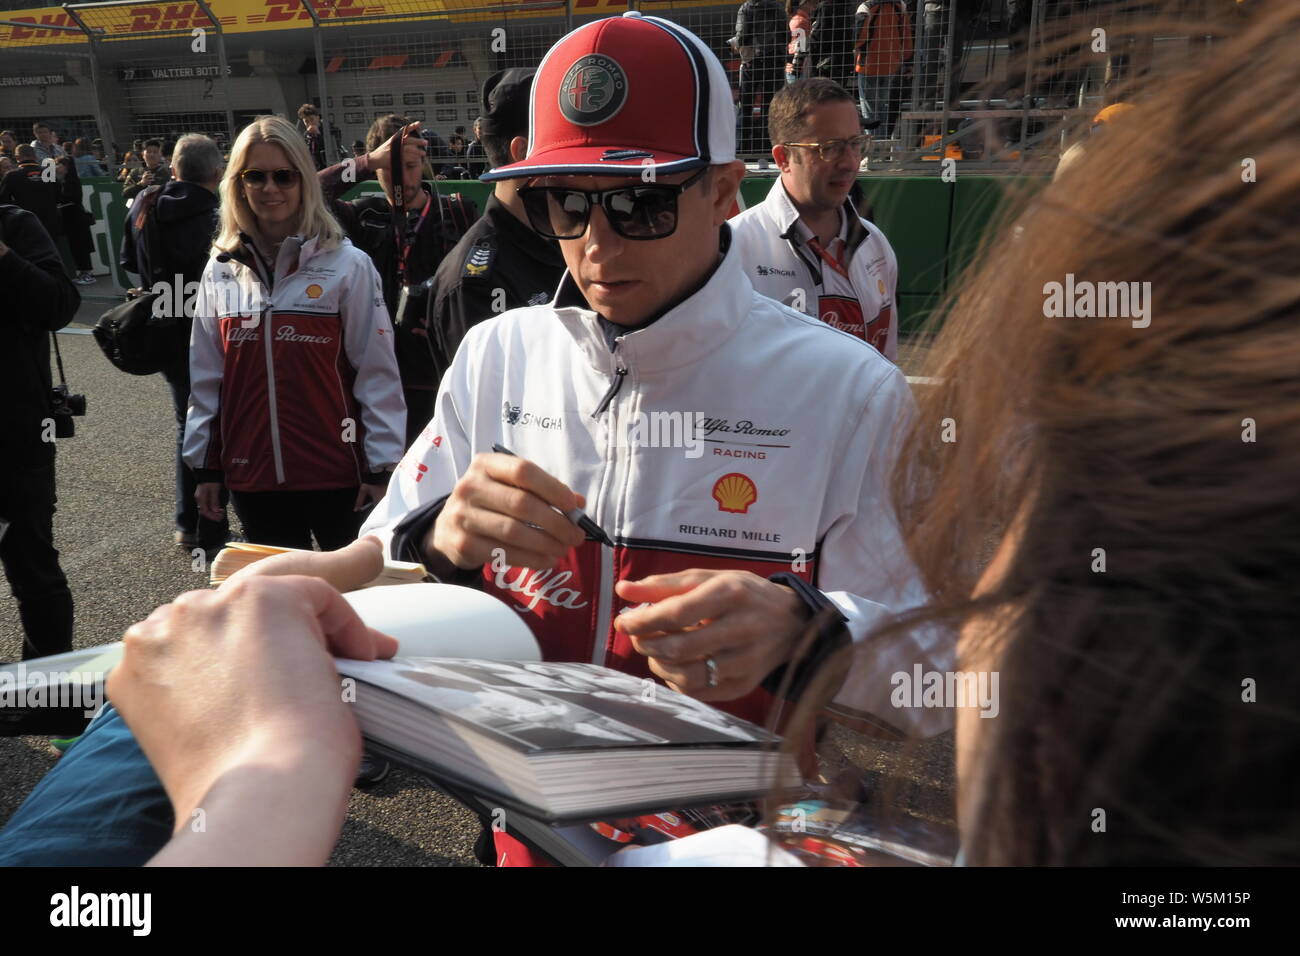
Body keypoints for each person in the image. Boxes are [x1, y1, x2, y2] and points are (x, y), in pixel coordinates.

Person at [364, 10, 939, 865]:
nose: (596, 244)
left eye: (639, 202)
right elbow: (372, 568)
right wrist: (434, 539)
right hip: (521, 842)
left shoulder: (850, 392)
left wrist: (810, 632)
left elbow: (948, 671)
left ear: (721, 190)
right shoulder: (497, 355)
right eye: (566, 202)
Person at [183, 115, 405, 553]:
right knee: (281, 610)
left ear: (304, 180)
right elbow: (207, 378)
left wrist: (381, 469)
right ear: (238, 184)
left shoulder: (348, 265)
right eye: (256, 176)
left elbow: (376, 373)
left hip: (339, 476)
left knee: (351, 607)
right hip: (254, 479)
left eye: (284, 176)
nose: (271, 188)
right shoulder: (220, 269)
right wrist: (206, 470)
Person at [317, 114, 476, 448]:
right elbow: (307, 193)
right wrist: (365, 161)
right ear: (375, 168)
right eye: (390, 166)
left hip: (439, 374)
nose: (402, 177)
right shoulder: (362, 216)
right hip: (376, 376)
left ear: (424, 160)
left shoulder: (457, 213)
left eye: (410, 165)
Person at [729, 78, 900, 360]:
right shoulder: (732, 250)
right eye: (829, 147)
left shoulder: (876, 246)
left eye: (855, 143)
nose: (849, 162)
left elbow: (887, 363)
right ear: (783, 157)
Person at [119, 133, 229, 554]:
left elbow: (128, 261)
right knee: (218, 426)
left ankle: (188, 521)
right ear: (216, 173)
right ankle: (208, 522)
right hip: (209, 331)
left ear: (176, 167)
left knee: (189, 424)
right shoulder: (218, 216)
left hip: (162, 325)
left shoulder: (145, 205)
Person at [425, 68, 566, 392]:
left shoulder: (566, 238)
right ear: (522, 152)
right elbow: (491, 419)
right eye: (562, 142)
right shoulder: (475, 284)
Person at [0, 202, 80, 663]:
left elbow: (58, 305)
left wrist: (4, 257)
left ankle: (47, 698)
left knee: (34, 571)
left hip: (17, 437)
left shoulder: (15, 223)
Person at [733, 0, 789, 155]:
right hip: (775, 61)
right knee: (770, 106)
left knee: (746, 106)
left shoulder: (747, 7)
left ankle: (745, 147)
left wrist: (734, 43)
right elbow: (786, 35)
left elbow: (743, 35)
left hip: (753, 61)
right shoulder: (777, 6)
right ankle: (769, 145)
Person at [0, 145, 67, 273]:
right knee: (53, 256)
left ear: (17, 157)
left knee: (29, 259)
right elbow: (59, 197)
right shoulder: (49, 172)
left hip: (24, 225)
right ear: (35, 156)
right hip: (50, 223)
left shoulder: (11, 176)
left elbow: (4, 203)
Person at [853, 0, 913, 139]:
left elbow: (860, 38)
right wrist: (908, 61)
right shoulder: (899, 6)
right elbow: (906, 36)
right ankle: (883, 145)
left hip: (868, 66)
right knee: (883, 108)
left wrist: (856, 49)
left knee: (869, 111)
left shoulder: (866, 7)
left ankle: (873, 150)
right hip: (892, 65)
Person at [54, 155, 97, 285]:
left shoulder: (72, 181)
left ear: (66, 166)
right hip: (69, 219)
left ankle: (87, 273)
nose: (56, 167)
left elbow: (68, 197)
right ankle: (82, 272)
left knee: (81, 247)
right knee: (75, 247)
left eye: (58, 164)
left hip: (76, 219)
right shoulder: (62, 180)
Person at [298, 103, 327, 170]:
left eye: (312, 119)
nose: (310, 123)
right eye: (306, 121)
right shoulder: (306, 134)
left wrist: (318, 135)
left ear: (318, 118)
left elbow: (330, 148)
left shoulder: (328, 130)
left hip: (327, 166)